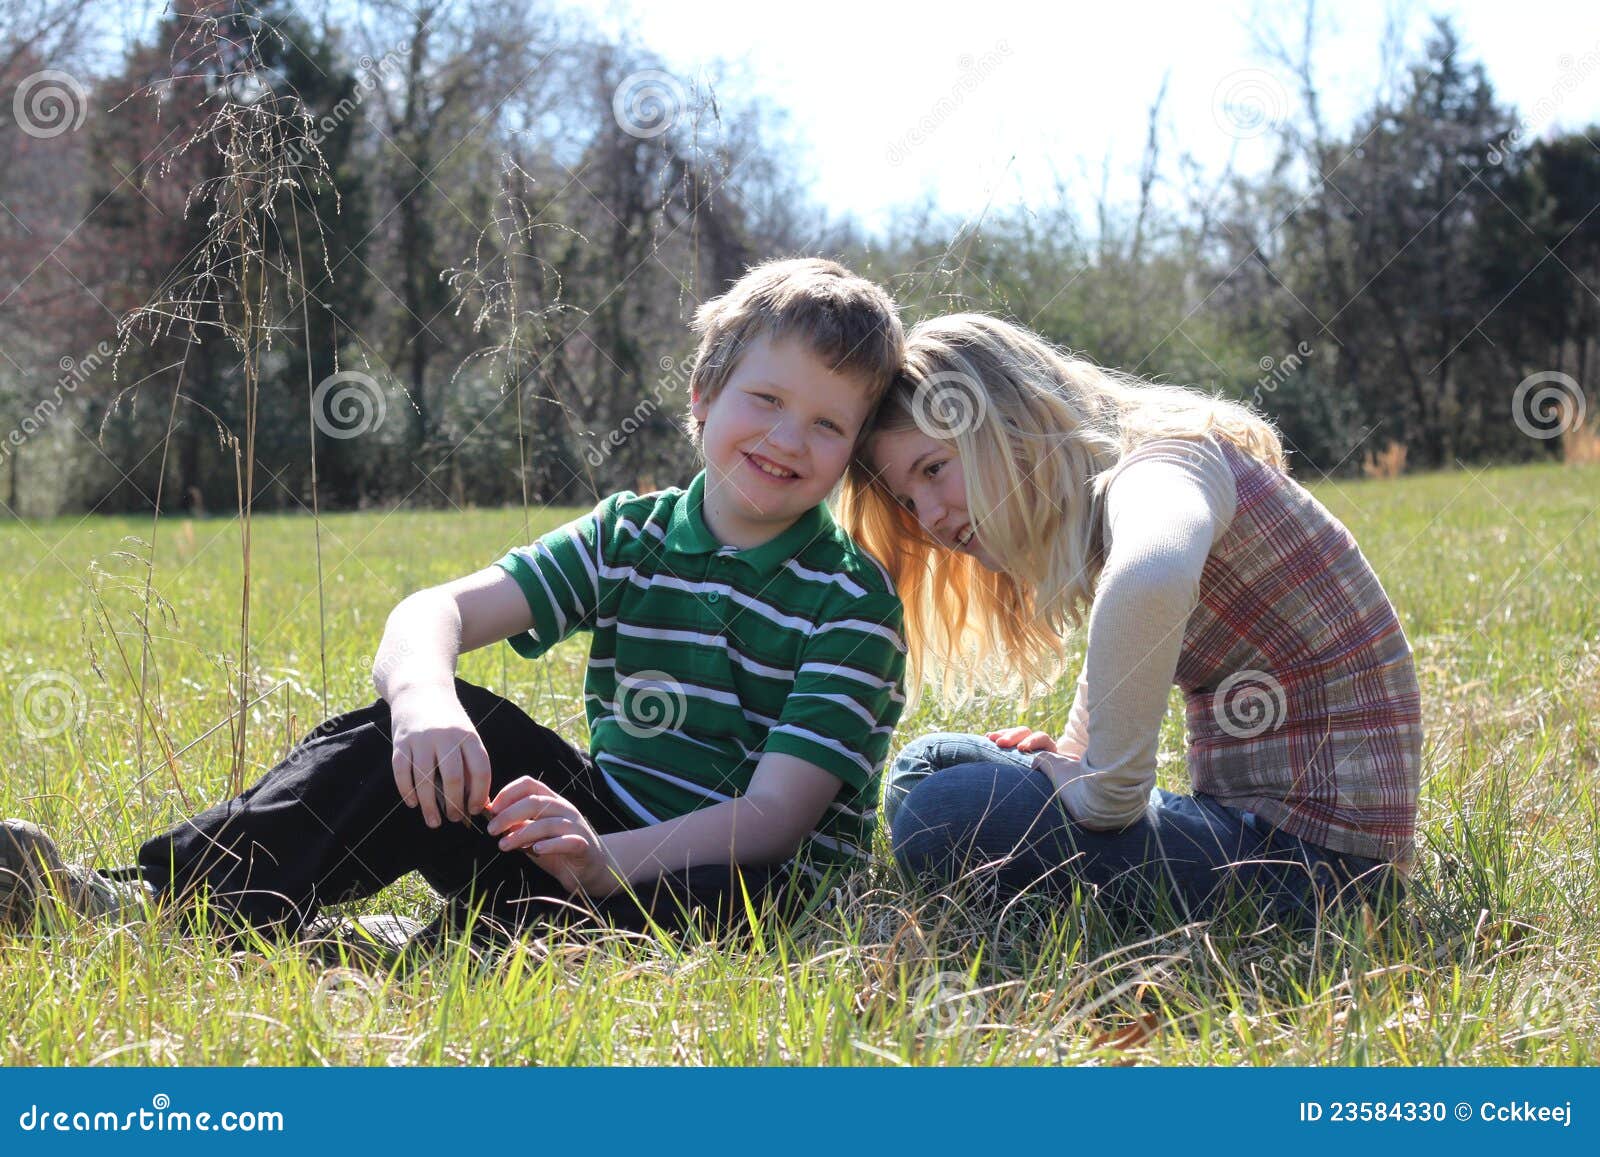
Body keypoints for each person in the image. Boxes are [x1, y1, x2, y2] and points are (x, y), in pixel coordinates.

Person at [1, 258, 909, 957]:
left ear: (853, 449)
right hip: (594, 839)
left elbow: (775, 818)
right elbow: (427, 614)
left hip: (731, 893)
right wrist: (426, 707)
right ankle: (156, 904)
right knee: (441, 730)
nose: (789, 438)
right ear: (704, 396)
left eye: (829, 424)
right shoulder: (631, 535)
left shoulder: (849, 601)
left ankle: (454, 943)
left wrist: (601, 862)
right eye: (766, 399)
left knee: (693, 881)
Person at [836, 313, 1421, 928]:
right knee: (925, 766)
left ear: (1011, 424)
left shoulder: (1163, 470)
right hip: (1261, 839)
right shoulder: (1110, 506)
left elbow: (1151, 578)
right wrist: (1072, 758)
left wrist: (1102, 792)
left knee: (944, 812)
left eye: (933, 469)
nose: (928, 516)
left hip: (1326, 876)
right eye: (908, 499)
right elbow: (1128, 631)